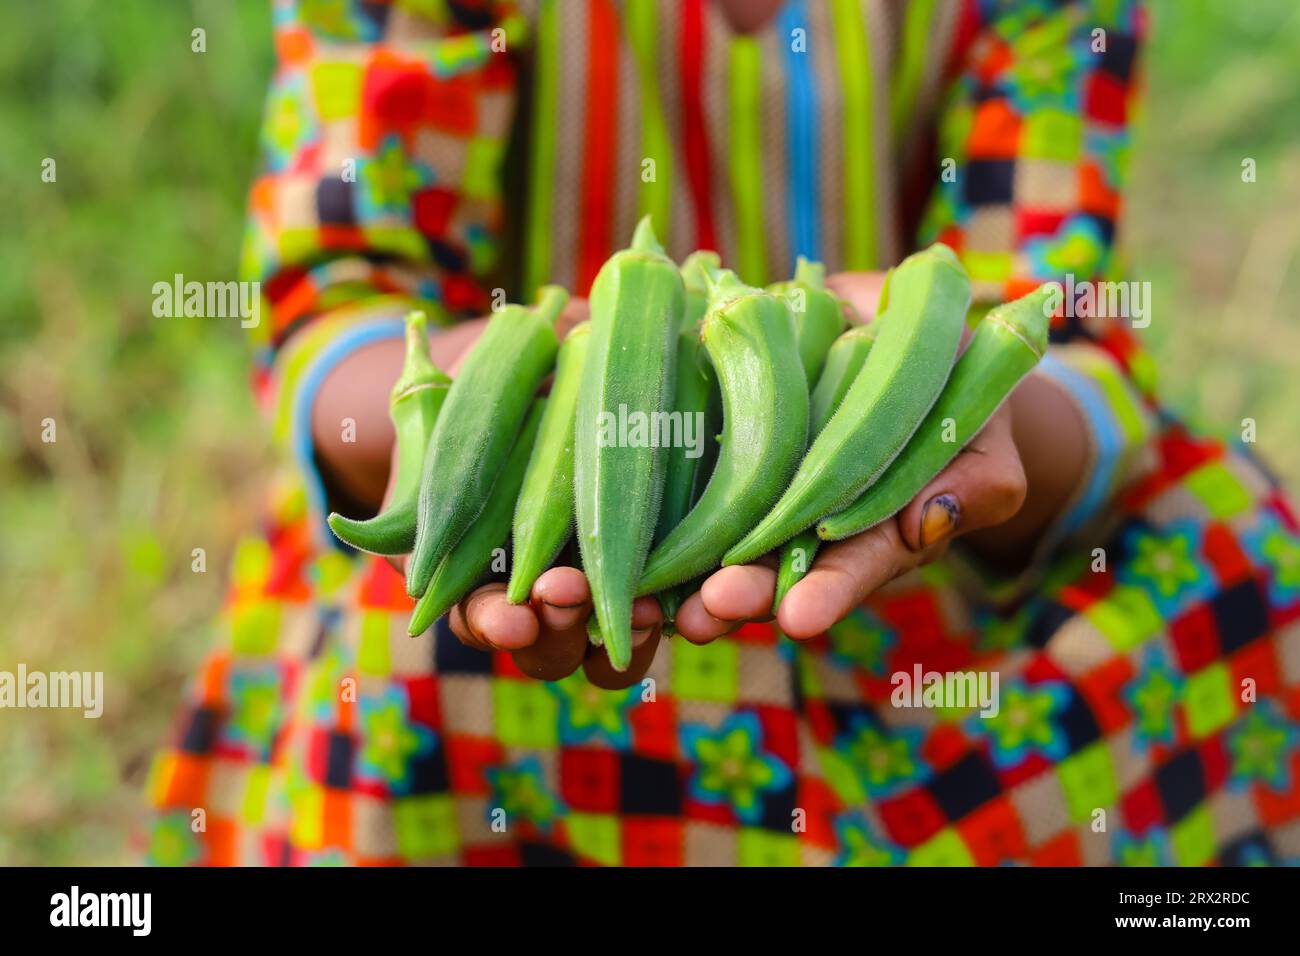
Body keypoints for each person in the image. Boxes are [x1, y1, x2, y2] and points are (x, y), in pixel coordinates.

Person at [147, 0, 1300, 866]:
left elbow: (1053, 322)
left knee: (1234, 547)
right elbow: (335, 315)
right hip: (510, 510)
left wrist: (964, 400)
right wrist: (491, 389)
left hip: (884, 535)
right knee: (416, 648)